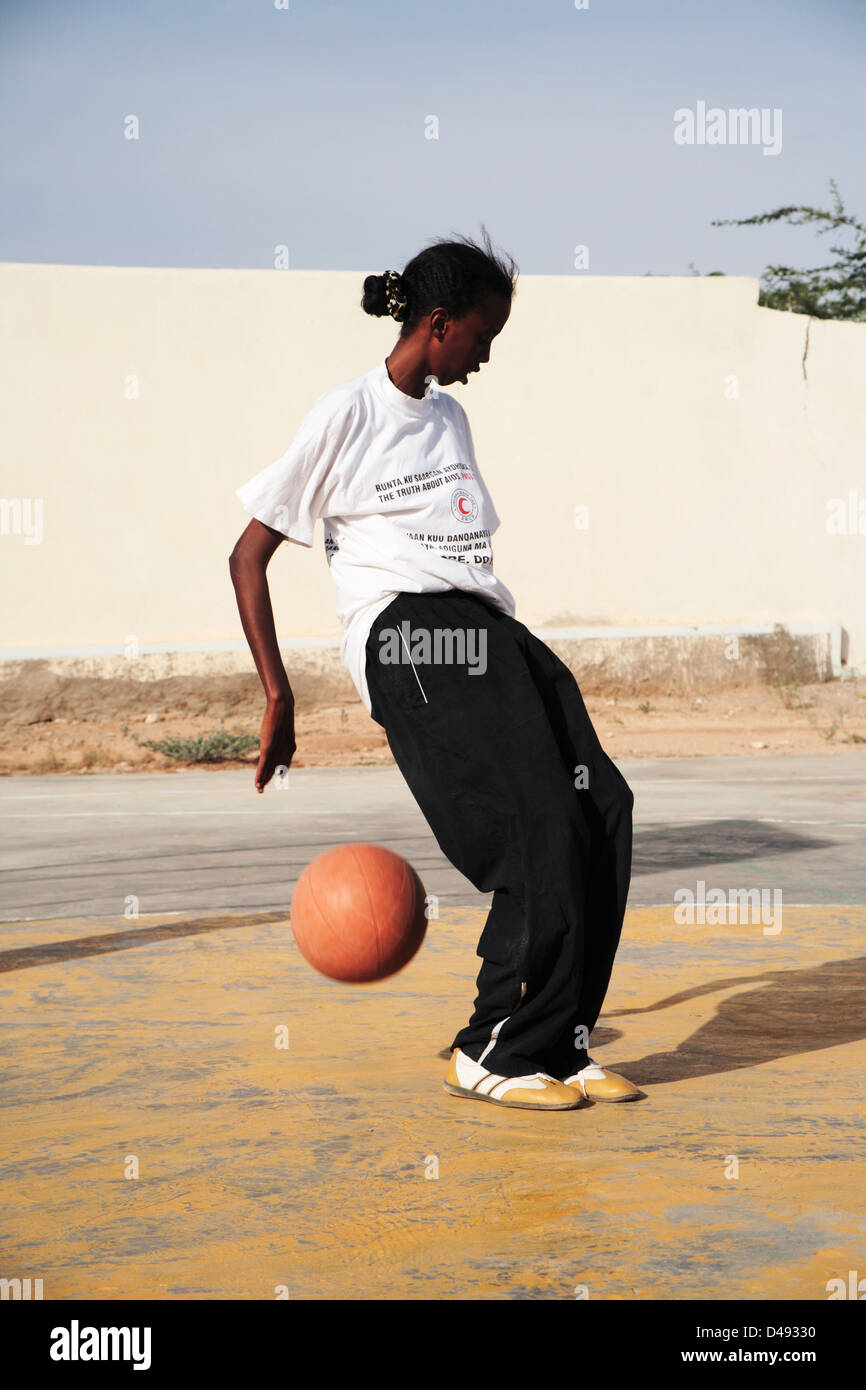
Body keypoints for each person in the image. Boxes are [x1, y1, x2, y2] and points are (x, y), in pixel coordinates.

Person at [229, 229, 639, 1112]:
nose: (486, 357)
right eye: (482, 337)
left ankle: (561, 1041)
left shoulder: (450, 415)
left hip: (488, 626)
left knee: (601, 804)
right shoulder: (349, 411)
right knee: (534, 821)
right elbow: (248, 554)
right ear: (440, 322)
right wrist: (278, 694)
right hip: (411, 635)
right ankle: (496, 1049)